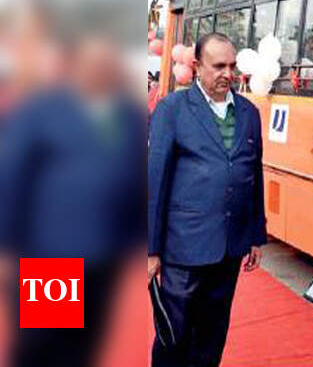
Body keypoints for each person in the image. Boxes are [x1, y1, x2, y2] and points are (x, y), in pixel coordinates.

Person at [1, 34, 143, 367]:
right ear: (76, 67)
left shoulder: (128, 116)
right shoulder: (45, 111)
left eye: (109, 65)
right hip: (54, 255)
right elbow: (12, 179)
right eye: (93, 64)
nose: (102, 71)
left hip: (105, 258)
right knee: (44, 347)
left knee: (84, 346)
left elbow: (135, 178)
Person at [148, 32, 267, 367]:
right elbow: (155, 181)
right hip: (184, 247)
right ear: (198, 66)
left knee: (213, 334)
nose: (227, 74)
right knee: (175, 334)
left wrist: (256, 234)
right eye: (218, 66)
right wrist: (151, 250)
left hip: (229, 247)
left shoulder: (248, 113)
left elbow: (252, 174)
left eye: (232, 66)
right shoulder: (172, 109)